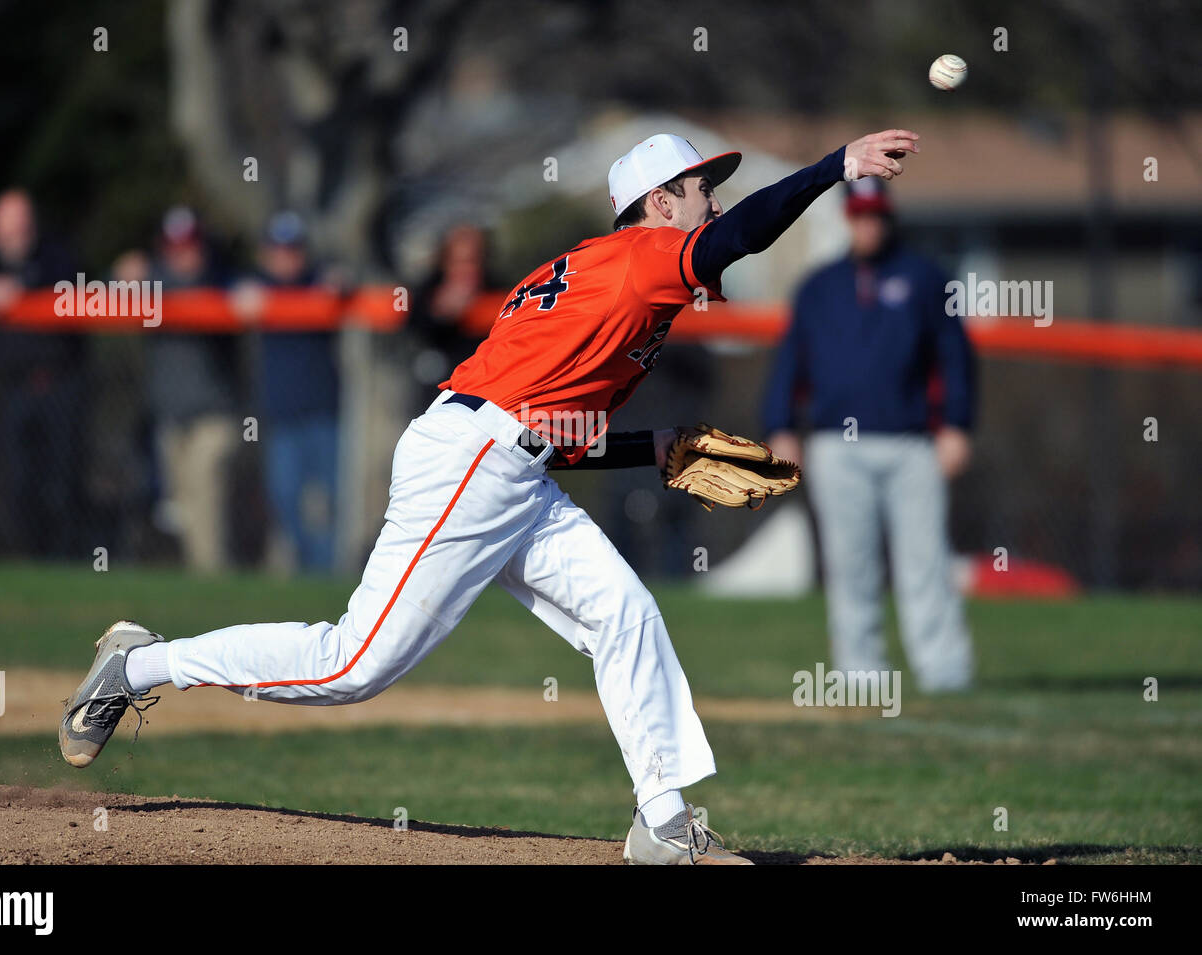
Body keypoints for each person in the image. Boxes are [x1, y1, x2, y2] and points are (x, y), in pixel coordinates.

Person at [59, 128, 921, 864]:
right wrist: (834, 166)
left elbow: (543, 431)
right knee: (351, 664)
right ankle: (137, 664)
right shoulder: (642, 261)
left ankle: (662, 821)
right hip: (471, 463)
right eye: (702, 190)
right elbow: (740, 240)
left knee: (623, 611)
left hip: (501, 462)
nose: (713, 206)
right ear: (658, 204)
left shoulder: (605, 279)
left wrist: (647, 448)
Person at [762, 177, 976, 693]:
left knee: (924, 562)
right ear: (847, 217)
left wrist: (957, 424)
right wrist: (780, 425)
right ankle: (860, 673)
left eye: (876, 214)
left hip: (911, 443)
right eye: (860, 214)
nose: (869, 224)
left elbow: (955, 358)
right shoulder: (819, 287)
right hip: (837, 446)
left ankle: (943, 672)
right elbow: (791, 362)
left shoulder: (924, 278)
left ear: (888, 215)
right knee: (849, 563)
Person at [0, 188, 87, 557]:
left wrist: (21, 287)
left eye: (23, 228)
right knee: (20, 482)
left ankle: (69, 558)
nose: (17, 237)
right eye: (8, 230)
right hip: (14, 388)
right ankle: (35, 557)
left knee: (63, 481)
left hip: (61, 383)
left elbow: (71, 279)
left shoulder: (53, 257)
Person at [137, 207, 241, 573]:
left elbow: (248, 291)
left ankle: (213, 577)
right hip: (171, 416)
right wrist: (120, 275)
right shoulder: (150, 284)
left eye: (190, 245)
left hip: (215, 415)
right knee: (179, 506)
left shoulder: (221, 279)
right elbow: (102, 289)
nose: (184, 253)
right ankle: (200, 579)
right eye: (175, 246)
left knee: (205, 488)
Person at [240, 211, 342, 573]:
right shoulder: (253, 286)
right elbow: (219, 287)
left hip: (324, 411)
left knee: (330, 500)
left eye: (293, 249)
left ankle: (327, 575)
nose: (286, 257)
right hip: (281, 415)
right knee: (284, 498)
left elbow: (347, 283)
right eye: (278, 249)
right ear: (266, 253)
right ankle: (307, 567)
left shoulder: (321, 282)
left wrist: (338, 286)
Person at [406, 224, 495, 413]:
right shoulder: (428, 291)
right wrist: (441, 314)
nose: (466, 270)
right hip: (436, 394)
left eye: (472, 261)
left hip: (484, 398)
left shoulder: (497, 291)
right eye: (459, 262)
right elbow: (413, 330)